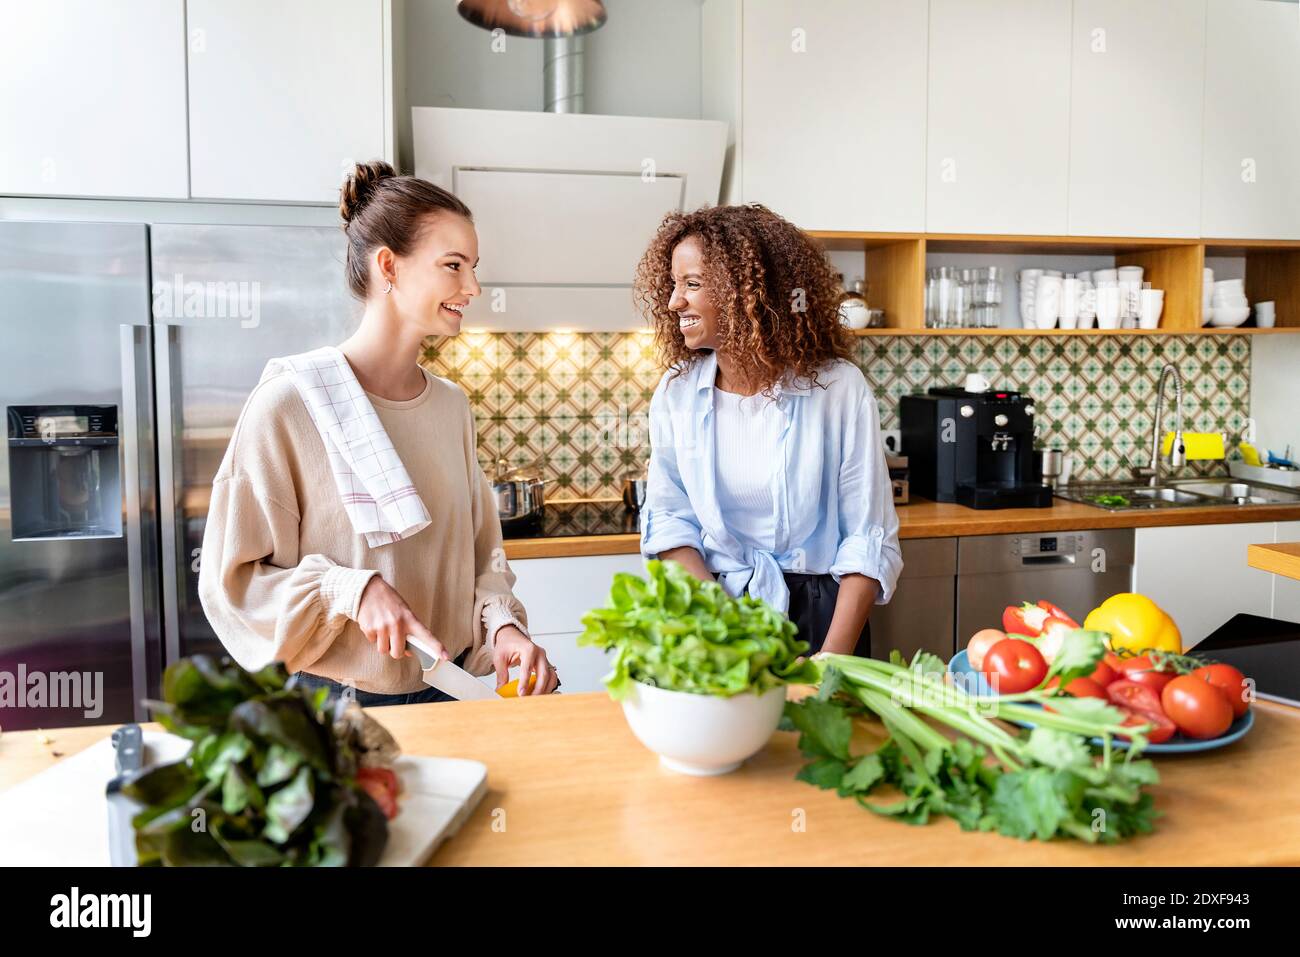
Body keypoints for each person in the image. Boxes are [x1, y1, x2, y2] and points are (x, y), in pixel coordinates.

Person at [198, 160, 557, 704]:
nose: (474, 287)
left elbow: (484, 558)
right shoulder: (289, 405)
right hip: (335, 705)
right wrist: (350, 589)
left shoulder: (451, 406)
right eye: (454, 266)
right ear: (389, 266)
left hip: (451, 690)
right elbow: (233, 586)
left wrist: (503, 626)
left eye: (474, 267)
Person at [633, 204, 902, 656]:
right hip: (713, 612)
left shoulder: (836, 388)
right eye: (674, 284)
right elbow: (670, 522)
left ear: (749, 294)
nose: (673, 301)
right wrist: (727, 631)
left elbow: (867, 539)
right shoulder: (677, 391)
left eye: (692, 284)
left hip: (823, 618)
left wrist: (830, 661)